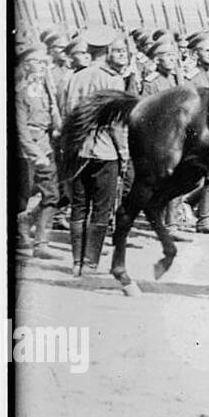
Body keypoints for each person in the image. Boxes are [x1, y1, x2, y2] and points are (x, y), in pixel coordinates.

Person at [62, 26, 128, 276]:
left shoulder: (75, 77)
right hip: (105, 152)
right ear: (109, 51)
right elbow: (116, 124)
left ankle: (76, 263)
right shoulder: (113, 79)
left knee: (78, 206)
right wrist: (124, 153)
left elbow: (69, 115)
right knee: (101, 208)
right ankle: (90, 263)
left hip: (78, 150)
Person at [15, 43, 63, 259]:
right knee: (22, 197)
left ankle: (41, 242)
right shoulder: (19, 91)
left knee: (52, 194)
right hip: (26, 152)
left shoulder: (45, 88)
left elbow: (54, 122)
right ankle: (20, 236)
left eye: (45, 62)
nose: (43, 66)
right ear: (26, 65)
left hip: (45, 146)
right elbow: (20, 129)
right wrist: (36, 154)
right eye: (37, 62)